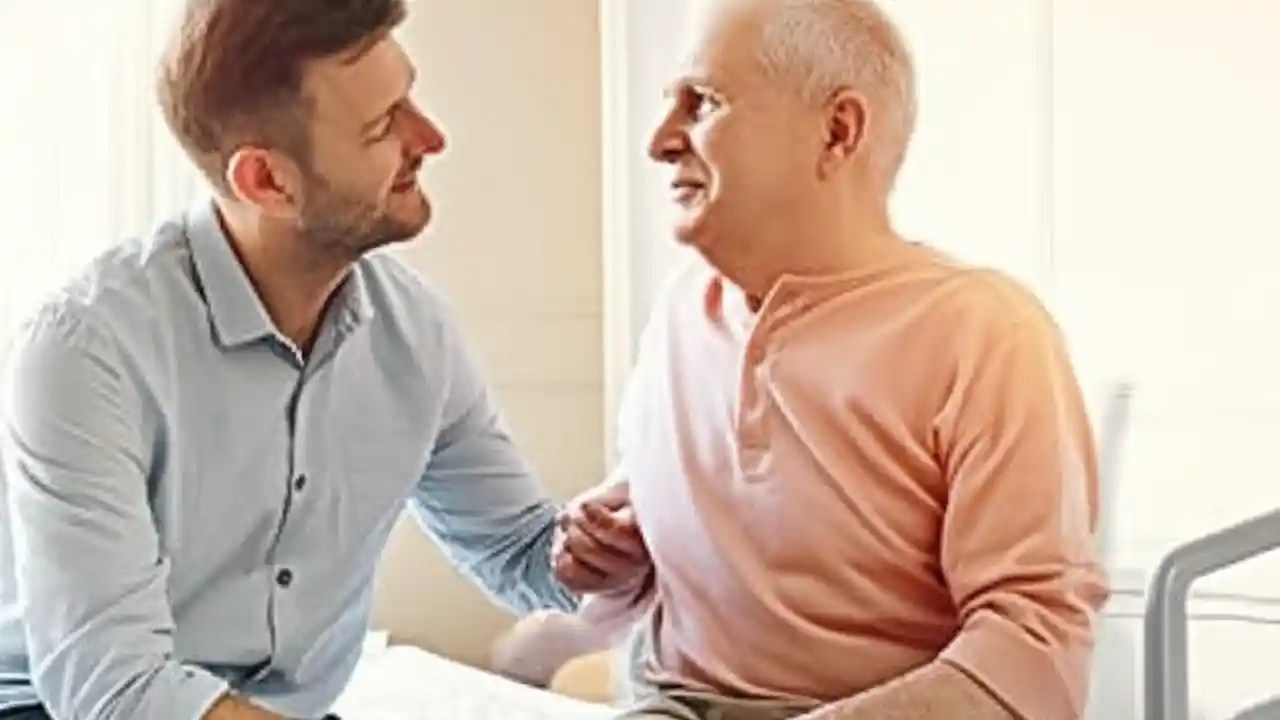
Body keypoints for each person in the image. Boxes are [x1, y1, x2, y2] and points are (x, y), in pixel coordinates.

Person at [0, 1, 645, 718]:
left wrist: (603, 544)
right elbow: (113, 691)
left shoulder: (415, 331)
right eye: (382, 127)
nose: (429, 138)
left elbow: (522, 553)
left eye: (410, 97)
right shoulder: (86, 351)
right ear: (266, 183)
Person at [529, 0, 1110, 718]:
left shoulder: (986, 332)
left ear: (837, 132)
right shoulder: (681, 312)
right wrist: (613, 553)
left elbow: (1034, 647)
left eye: (702, 102)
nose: (658, 141)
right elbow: (653, 542)